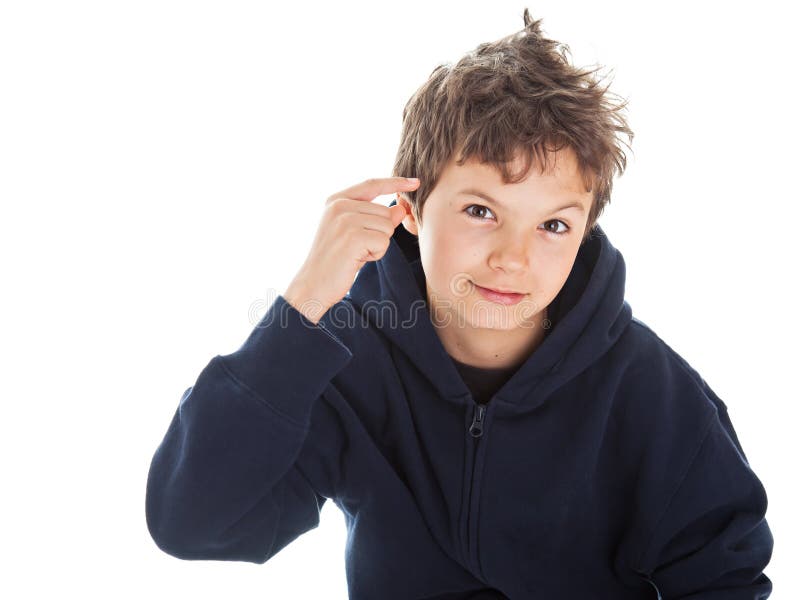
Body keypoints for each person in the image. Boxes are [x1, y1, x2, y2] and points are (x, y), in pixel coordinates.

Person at [145, 8, 774, 598]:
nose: (513, 258)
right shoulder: (346, 361)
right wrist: (306, 300)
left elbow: (727, 576)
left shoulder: (652, 391)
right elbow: (193, 523)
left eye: (553, 225)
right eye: (480, 211)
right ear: (411, 211)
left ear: (584, 231)